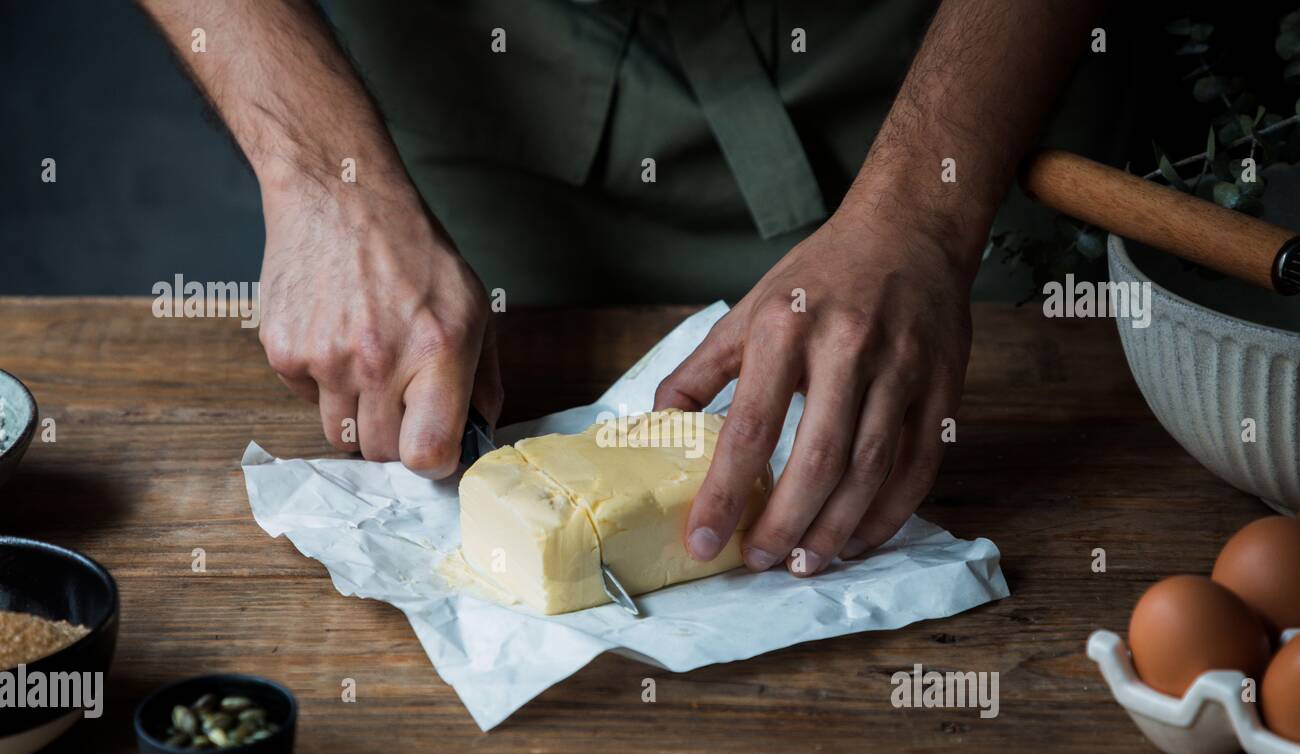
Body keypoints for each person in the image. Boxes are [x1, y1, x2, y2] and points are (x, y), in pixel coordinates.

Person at [140, 0, 1110, 576]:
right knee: (433, 395)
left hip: (929, 77)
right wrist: (322, 177)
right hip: (496, 77)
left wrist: (927, 213)